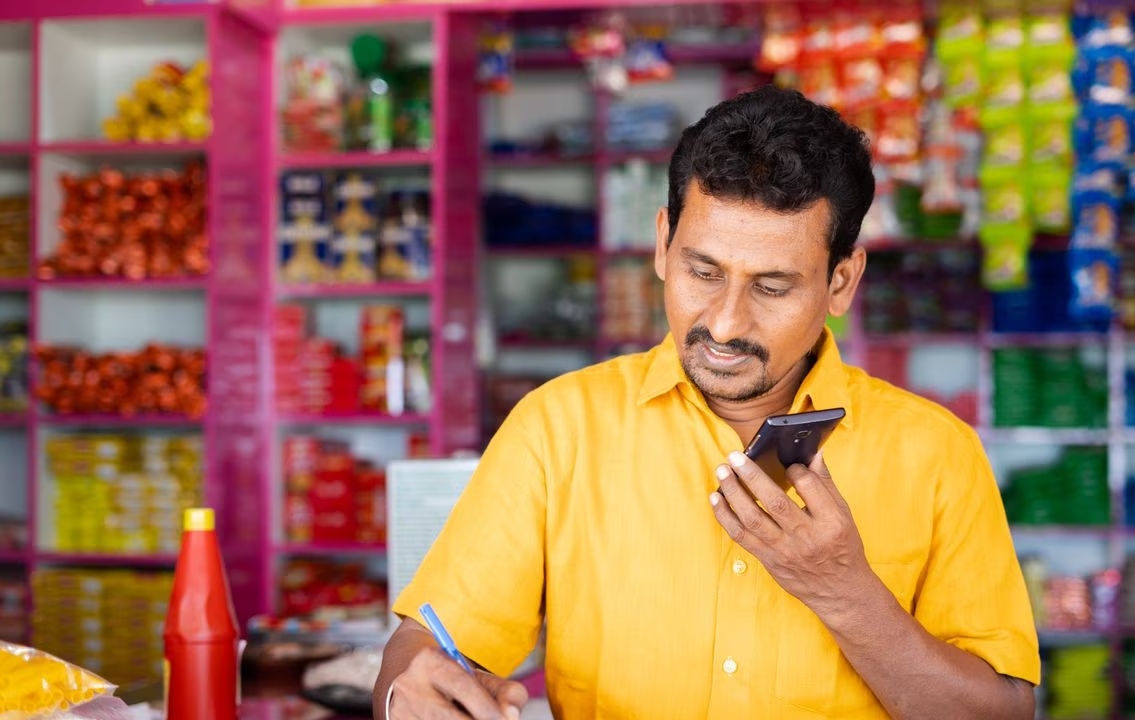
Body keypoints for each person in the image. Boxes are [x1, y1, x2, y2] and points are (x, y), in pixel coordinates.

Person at [375, 85, 1040, 719]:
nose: (724, 323)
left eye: (772, 287)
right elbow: (422, 651)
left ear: (842, 281)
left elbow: (1002, 713)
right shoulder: (559, 429)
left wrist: (847, 595)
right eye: (703, 271)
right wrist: (408, 698)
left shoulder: (936, 454)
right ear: (663, 244)